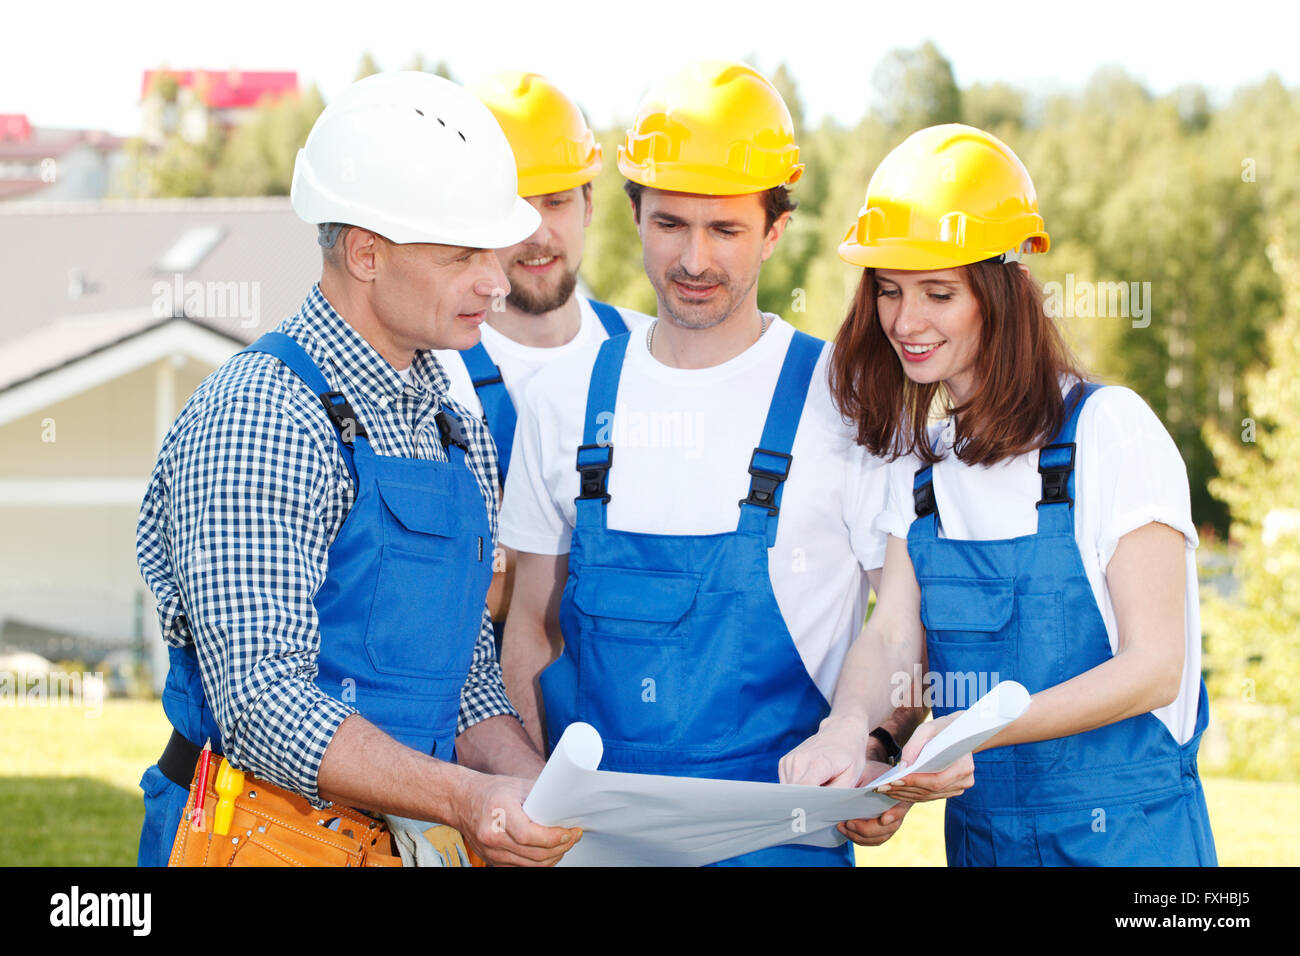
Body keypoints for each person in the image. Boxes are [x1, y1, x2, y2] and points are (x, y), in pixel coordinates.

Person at [499, 61, 969, 867]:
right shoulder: (564, 397)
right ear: (633, 213)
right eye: (670, 224)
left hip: (783, 836)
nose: (694, 261)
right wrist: (533, 800)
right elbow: (530, 634)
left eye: (726, 231)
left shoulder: (848, 399)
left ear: (777, 230)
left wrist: (875, 742)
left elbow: (899, 629)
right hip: (593, 845)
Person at [135, 71, 581, 867]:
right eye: (462, 255)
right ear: (367, 253)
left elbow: (466, 677)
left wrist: (533, 790)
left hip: (407, 842)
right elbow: (263, 705)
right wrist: (463, 797)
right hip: (256, 841)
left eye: (496, 250)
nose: (497, 281)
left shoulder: (451, 418)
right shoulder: (264, 416)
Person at [781, 123, 1218, 866]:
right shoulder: (920, 469)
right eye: (889, 291)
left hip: (1136, 847)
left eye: (938, 293)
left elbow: (1154, 666)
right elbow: (895, 639)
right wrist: (858, 734)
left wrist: (974, 730)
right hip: (984, 847)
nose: (905, 322)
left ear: (1004, 290)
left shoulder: (1110, 433)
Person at [432, 71, 651, 644]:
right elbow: (442, 583)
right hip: (477, 703)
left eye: (555, 202)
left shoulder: (649, 352)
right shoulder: (433, 375)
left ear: (588, 205)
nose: (536, 232)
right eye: (512, 208)